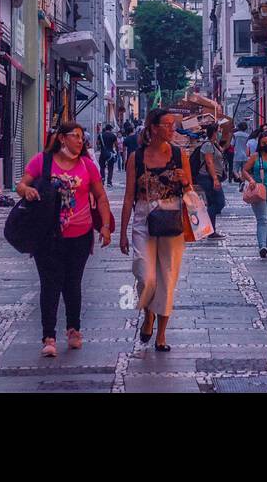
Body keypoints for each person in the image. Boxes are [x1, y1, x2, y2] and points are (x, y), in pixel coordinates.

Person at [18, 122, 114, 356]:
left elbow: (100, 196)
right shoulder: (43, 161)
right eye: (76, 136)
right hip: (47, 235)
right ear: (62, 138)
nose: (81, 140)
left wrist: (105, 226)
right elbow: (21, 184)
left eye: (82, 137)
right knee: (49, 285)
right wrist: (27, 191)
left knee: (73, 283)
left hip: (79, 234)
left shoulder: (88, 166)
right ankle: (48, 336)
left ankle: (74, 330)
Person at [120, 108, 192, 352]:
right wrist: (121, 232)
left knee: (167, 278)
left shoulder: (179, 154)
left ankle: (161, 333)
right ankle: (148, 313)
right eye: (167, 125)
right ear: (153, 128)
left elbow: (190, 189)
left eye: (173, 124)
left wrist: (184, 180)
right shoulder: (136, 158)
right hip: (143, 217)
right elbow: (129, 196)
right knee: (146, 276)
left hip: (171, 219)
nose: (172, 129)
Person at [191, 123, 226, 239]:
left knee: (212, 203)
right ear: (214, 132)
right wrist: (215, 178)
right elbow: (209, 162)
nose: (220, 133)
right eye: (219, 131)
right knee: (219, 202)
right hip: (207, 177)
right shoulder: (207, 145)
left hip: (211, 177)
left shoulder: (213, 144)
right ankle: (206, 228)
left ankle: (211, 230)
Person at [97, 120, 119, 188]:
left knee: (102, 167)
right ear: (110, 129)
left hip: (103, 153)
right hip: (110, 154)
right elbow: (116, 145)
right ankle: (109, 182)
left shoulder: (100, 135)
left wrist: (101, 147)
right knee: (110, 168)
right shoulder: (113, 135)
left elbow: (97, 144)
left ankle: (103, 180)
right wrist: (117, 152)